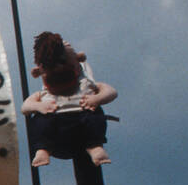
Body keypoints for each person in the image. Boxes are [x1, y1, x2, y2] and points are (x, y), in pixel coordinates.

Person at [22, 32, 117, 167]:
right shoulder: (44, 93)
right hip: (57, 137)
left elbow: (111, 92)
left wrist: (97, 98)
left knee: (94, 115)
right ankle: (43, 149)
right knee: (40, 120)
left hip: (82, 132)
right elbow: (25, 107)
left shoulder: (86, 84)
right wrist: (39, 107)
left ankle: (95, 146)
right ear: (39, 72)